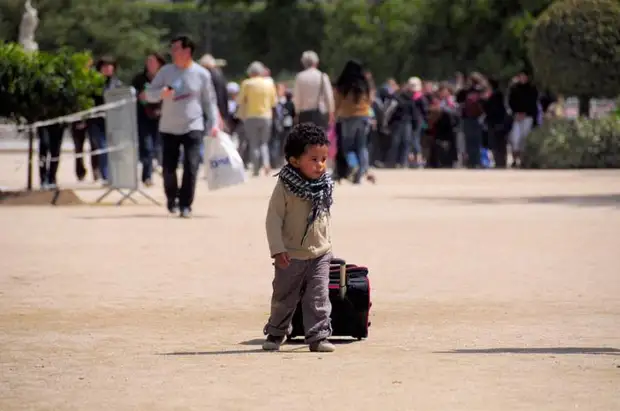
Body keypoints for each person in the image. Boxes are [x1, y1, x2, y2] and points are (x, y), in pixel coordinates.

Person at [263, 123, 335, 353]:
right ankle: (276, 333)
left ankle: (318, 336)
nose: (320, 165)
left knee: (319, 295)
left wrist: (325, 243)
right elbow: (273, 219)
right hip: (291, 254)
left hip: (320, 252)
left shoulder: (324, 185)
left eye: (323, 158)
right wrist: (277, 248)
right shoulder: (285, 186)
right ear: (294, 161)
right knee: (284, 297)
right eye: (313, 159)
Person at [145, 34, 220, 218]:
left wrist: (214, 123)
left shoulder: (202, 74)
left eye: (176, 48)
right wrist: (160, 94)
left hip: (193, 126)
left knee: (191, 165)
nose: (172, 52)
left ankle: (186, 204)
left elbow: (209, 101)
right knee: (168, 168)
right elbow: (149, 94)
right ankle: (172, 198)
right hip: (168, 127)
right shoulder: (166, 72)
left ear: (187, 51)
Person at [236, 61, 277, 176]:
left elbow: (239, 100)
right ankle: (266, 163)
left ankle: (256, 169)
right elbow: (274, 102)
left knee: (254, 143)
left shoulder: (247, 84)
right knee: (264, 142)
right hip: (266, 116)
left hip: (251, 116)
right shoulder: (269, 84)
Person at [333, 60, 372, 183]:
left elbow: (337, 102)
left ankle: (354, 165)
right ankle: (363, 171)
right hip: (364, 116)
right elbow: (371, 100)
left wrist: (335, 114)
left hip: (347, 117)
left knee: (348, 146)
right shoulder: (365, 84)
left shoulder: (342, 84)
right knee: (362, 145)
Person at [131, 52, 166, 186]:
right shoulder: (139, 79)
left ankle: (162, 168)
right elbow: (133, 95)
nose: (150, 64)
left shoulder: (165, 78)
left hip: (162, 117)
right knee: (147, 146)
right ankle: (147, 176)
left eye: (153, 61)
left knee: (159, 146)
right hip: (143, 117)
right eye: (148, 61)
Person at [293, 51, 335, 129]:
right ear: (316, 62)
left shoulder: (299, 77)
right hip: (319, 113)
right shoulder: (322, 76)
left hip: (304, 114)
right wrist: (331, 112)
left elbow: (296, 97)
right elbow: (329, 96)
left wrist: (297, 112)